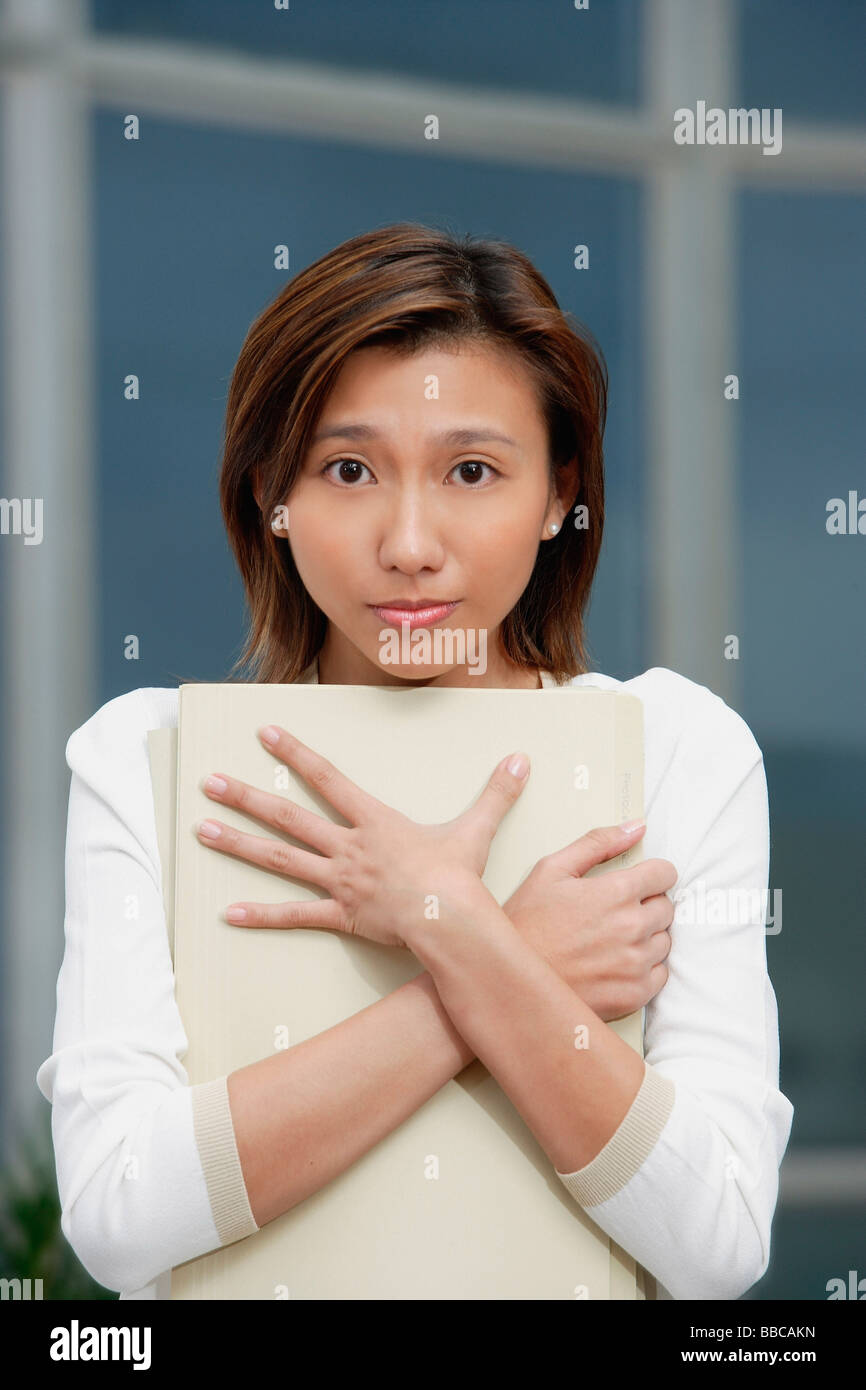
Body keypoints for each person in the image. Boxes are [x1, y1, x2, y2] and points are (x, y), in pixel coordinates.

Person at [36, 222, 794, 1300]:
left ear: (554, 494)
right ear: (270, 494)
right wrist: (493, 949)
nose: (408, 541)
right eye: (347, 468)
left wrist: (437, 919)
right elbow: (118, 1217)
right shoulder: (147, 754)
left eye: (471, 470)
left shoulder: (674, 748)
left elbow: (714, 1244)